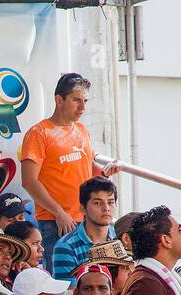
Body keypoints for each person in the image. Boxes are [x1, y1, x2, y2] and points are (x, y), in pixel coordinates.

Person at [19, 72, 114, 257]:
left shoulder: (81, 129)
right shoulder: (39, 133)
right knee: (62, 280)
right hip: (55, 221)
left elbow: (88, 168)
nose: (82, 107)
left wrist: (104, 172)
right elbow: (29, 181)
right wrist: (59, 213)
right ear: (59, 100)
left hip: (87, 218)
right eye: (76, 100)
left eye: (85, 101)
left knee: (92, 276)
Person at [49, 176, 117, 281]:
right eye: (97, 203)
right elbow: (69, 294)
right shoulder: (66, 246)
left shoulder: (122, 238)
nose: (106, 208)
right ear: (83, 209)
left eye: (111, 202)